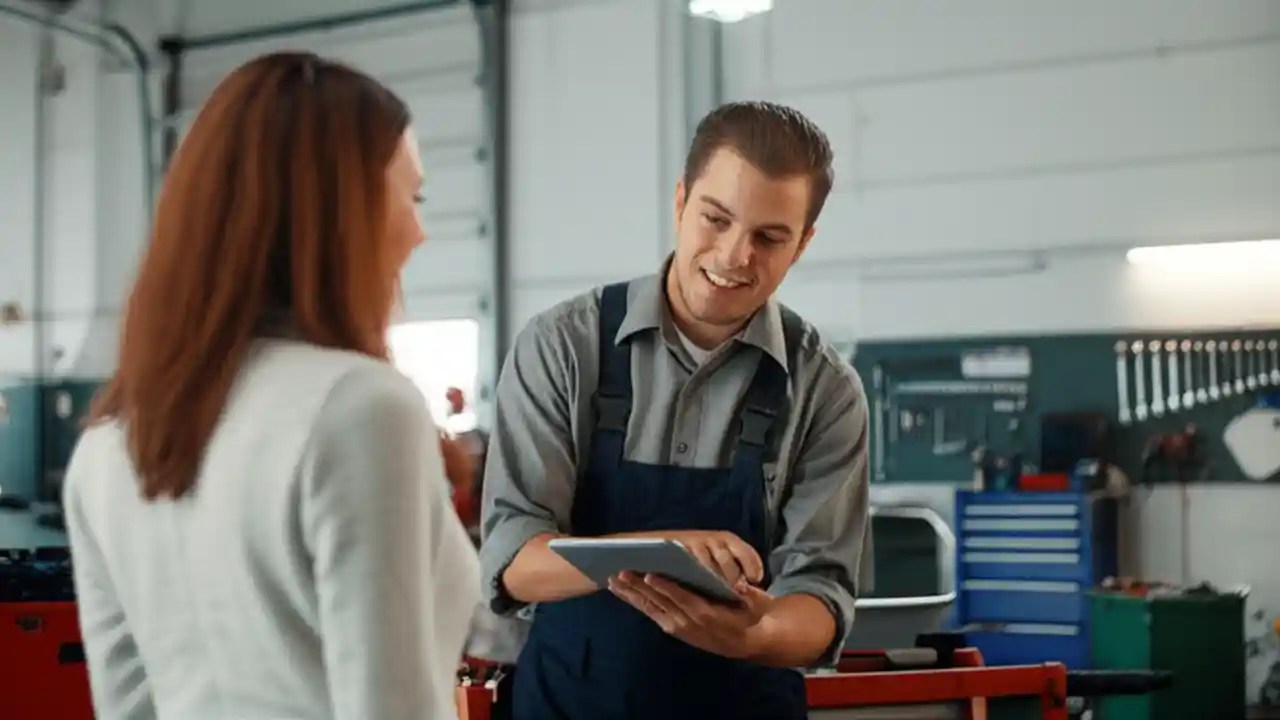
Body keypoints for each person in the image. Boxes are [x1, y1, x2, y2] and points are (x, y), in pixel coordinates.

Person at [61, 52, 479, 720]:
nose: (420, 231)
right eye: (411, 195)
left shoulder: (109, 445)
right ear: (339, 209)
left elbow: (126, 706)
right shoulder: (358, 407)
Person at [479, 101, 871, 719]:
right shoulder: (562, 346)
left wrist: (757, 635)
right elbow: (514, 560)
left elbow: (821, 596)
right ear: (681, 201)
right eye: (716, 219)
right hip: (570, 704)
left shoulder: (826, 390)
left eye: (770, 237)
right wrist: (659, 549)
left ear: (803, 244)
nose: (736, 255)